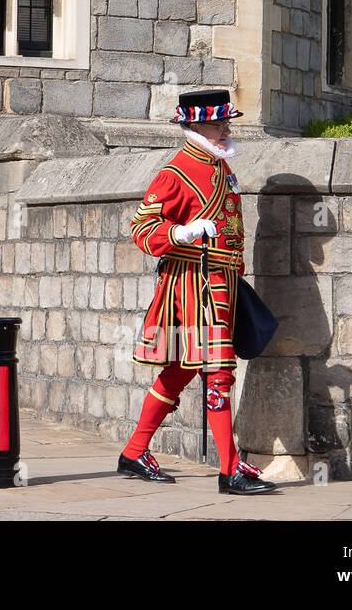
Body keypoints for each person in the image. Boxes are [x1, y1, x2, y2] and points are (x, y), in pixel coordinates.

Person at [120, 89, 276, 495]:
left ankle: (135, 451)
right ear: (194, 126)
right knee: (218, 372)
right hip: (192, 283)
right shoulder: (176, 172)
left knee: (183, 369)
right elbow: (141, 227)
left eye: (226, 122)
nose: (226, 128)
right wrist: (181, 232)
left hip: (221, 283)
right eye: (218, 122)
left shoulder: (221, 166)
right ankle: (229, 469)